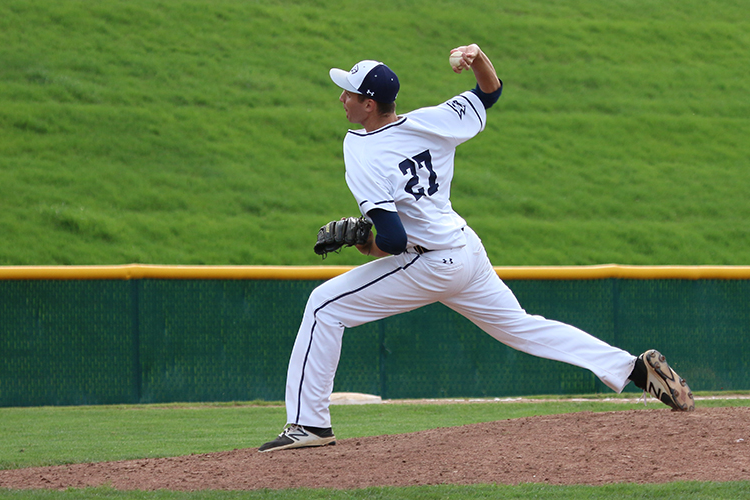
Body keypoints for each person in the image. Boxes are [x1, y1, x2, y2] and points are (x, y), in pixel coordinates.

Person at [258, 44, 694, 453]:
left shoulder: (362, 149)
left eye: (349, 93)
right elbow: (490, 92)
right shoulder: (432, 120)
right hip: (465, 248)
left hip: (431, 262)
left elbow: (391, 241)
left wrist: (363, 241)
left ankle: (309, 424)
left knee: (324, 306)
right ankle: (634, 368)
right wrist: (479, 56)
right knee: (522, 327)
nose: (342, 98)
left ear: (369, 105)